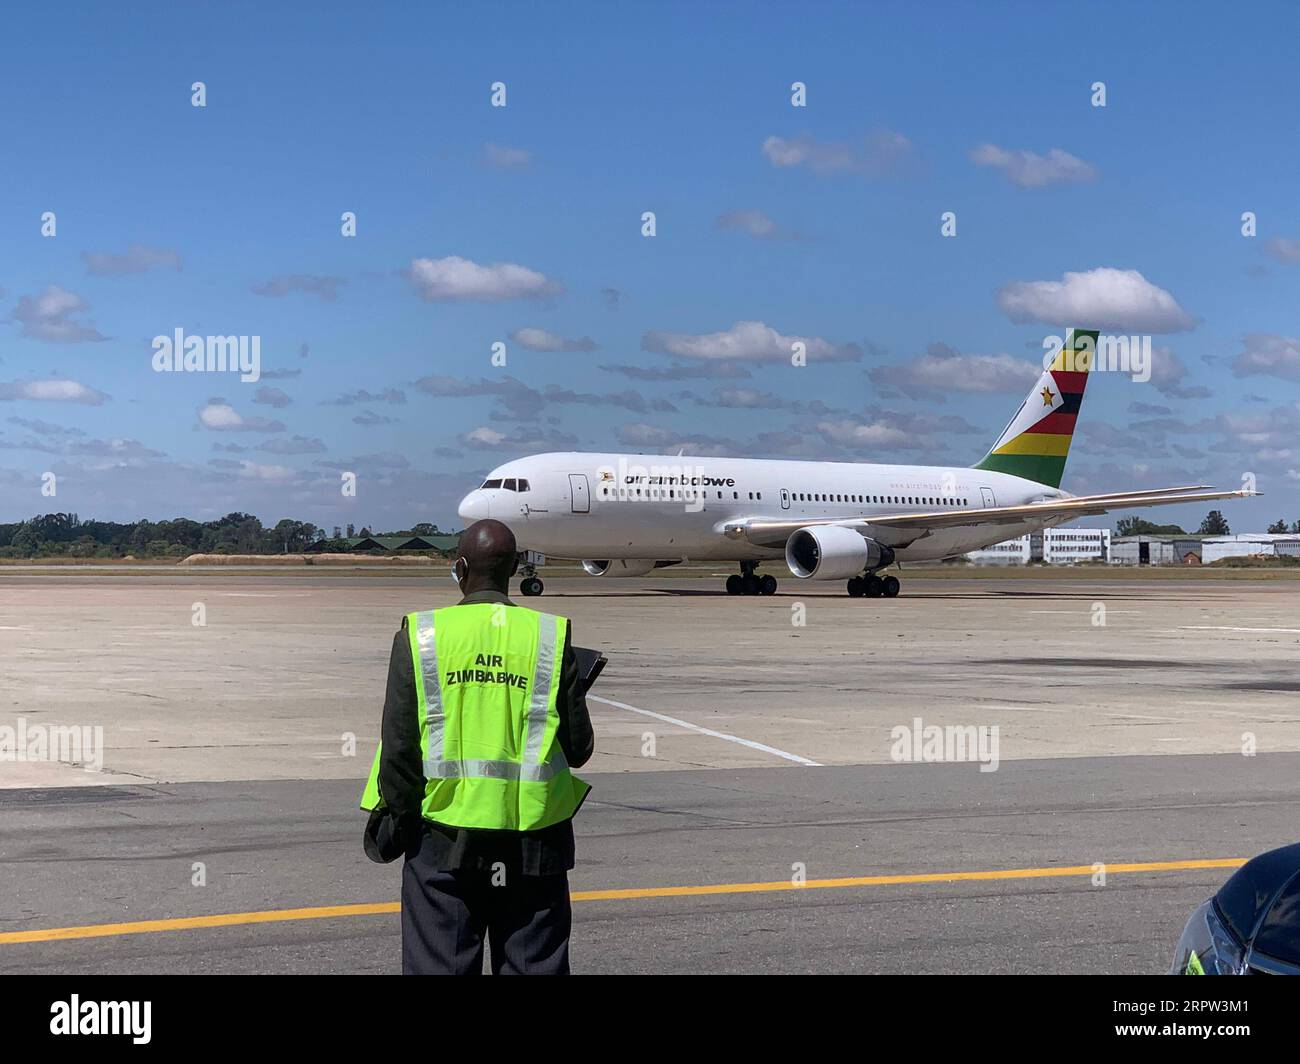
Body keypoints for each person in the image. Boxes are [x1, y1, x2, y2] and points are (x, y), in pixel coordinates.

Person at [360, 518, 594, 974]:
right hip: (533, 842)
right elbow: (579, 747)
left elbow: (400, 750)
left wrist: (403, 825)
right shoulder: (549, 634)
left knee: (441, 965)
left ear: (460, 568)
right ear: (513, 569)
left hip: (444, 840)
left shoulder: (422, 634)